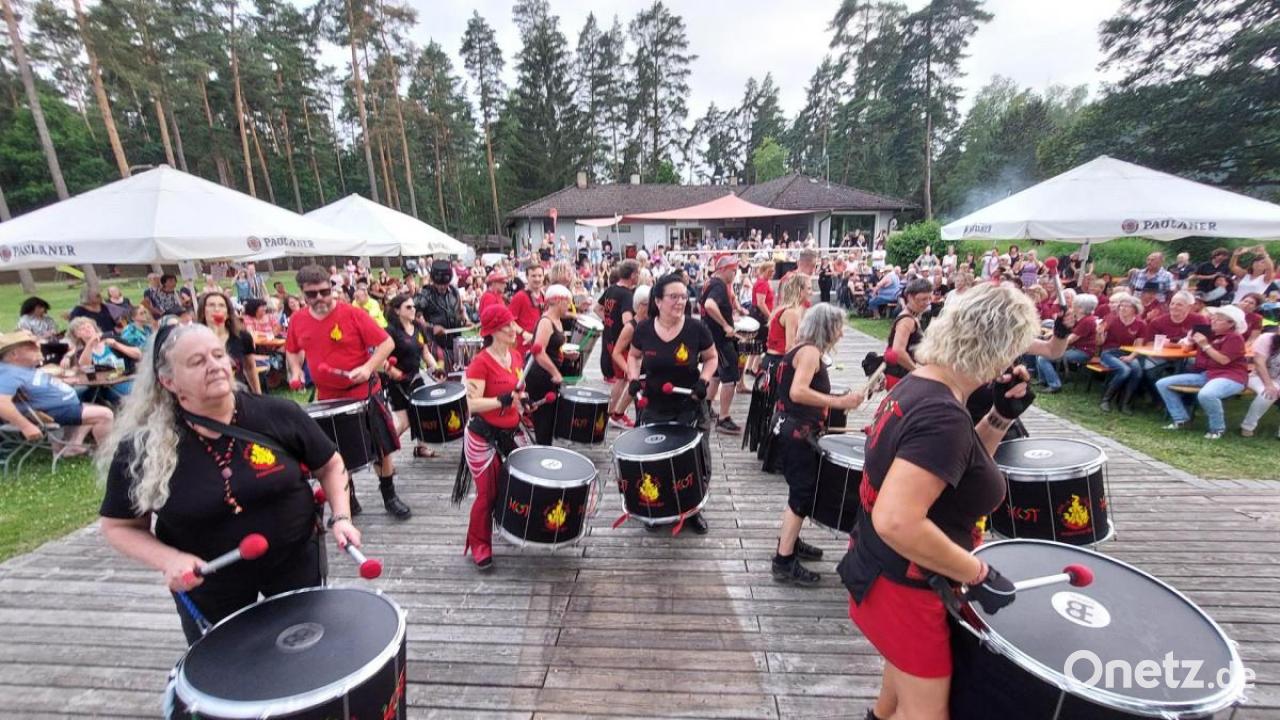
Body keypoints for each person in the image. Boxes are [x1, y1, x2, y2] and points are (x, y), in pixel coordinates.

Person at [839, 283, 1040, 720]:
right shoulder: (941, 415)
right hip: (907, 587)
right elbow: (898, 520)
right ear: (996, 347)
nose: (1015, 363)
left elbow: (957, 469)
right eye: (1015, 350)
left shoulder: (921, 386)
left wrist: (999, 417)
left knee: (898, 685)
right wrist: (978, 572)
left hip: (883, 572)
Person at [97, 323, 360, 644]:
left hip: (295, 563)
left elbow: (330, 465)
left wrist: (342, 517)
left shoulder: (278, 413)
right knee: (233, 673)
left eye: (218, 355)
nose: (214, 366)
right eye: (196, 362)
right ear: (168, 381)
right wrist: (168, 560)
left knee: (307, 657)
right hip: (211, 585)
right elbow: (119, 527)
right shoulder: (142, 449)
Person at [285, 265, 410, 519]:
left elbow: (387, 343)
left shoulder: (353, 314)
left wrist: (367, 367)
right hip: (328, 400)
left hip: (364, 393)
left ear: (331, 288)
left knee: (381, 449)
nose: (319, 298)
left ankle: (390, 496)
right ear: (302, 294)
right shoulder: (298, 320)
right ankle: (348, 501)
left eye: (323, 291)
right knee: (334, 455)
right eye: (312, 294)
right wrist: (296, 371)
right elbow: (293, 349)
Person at [769, 304, 866, 586]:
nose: (842, 333)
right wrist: (838, 402)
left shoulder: (802, 348)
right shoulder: (810, 352)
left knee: (799, 492)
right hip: (797, 432)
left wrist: (839, 399)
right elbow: (798, 392)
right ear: (826, 327)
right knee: (801, 494)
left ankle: (790, 541)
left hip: (791, 428)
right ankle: (783, 560)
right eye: (839, 327)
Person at [626, 272, 718, 534]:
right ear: (658, 300)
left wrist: (703, 380)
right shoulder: (643, 329)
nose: (680, 301)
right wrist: (634, 379)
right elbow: (633, 356)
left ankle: (693, 510)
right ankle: (655, 508)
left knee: (696, 459)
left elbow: (711, 358)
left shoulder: (696, 328)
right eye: (673, 296)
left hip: (689, 404)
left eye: (683, 296)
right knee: (655, 460)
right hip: (655, 404)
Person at [461, 305, 526, 569]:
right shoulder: (481, 362)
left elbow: (516, 395)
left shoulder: (517, 357)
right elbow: (471, 405)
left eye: (513, 323)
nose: (513, 329)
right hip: (483, 438)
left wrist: (524, 402)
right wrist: (500, 401)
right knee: (486, 495)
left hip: (510, 433)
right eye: (506, 326)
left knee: (511, 486)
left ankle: (508, 525)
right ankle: (479, 544)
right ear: (492, 332)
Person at [0, 330, 114, 454]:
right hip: (48, 412)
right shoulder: (9, 373)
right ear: (14, 354)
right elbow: (2, 403)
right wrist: (26, 426)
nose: (38, 347)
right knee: (105, 414)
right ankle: (107, 455)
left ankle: (72, 446)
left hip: (61, 406)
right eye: (31, 347)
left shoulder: (22, 368)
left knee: (92, 406)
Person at [1155, 305, 1249, 440]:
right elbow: (1186, 350)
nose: (1214, 321)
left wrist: (1205, 345)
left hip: (1231, 376)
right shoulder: (1208, 334)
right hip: (1208, 374)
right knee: (1162, 383)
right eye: (1214, 318)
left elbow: (1223, 360)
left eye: (1219, 319)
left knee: (1207, 394)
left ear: (1231, 324)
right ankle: (1181, 420)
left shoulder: (1234, 338)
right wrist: (1190, 340)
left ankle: (1217, 429)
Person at [383, 293, 440, 459]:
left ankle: (421, 448)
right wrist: (391, 371)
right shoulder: (390, 331)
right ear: (397, 311)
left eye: (413, 306)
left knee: (421, 413)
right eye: (408, 307)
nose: (413, 309)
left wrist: (436, 369)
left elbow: (425, 351)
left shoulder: (417, 327)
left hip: (415, 378)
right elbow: (381, 358)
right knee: (404, 423)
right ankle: (382, 453)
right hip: (398, 382)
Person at [700, 255, 745, 434]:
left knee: (717, 374)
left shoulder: (710, 282)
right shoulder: (718, 285)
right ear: (725, 269)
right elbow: (710, 305)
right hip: (720, 338)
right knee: (731, 377)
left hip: (711, 336)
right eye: (734, 271)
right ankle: (724, 417)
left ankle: (707, 407)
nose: (735, 275)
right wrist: (725, 324)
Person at [526, 284, 570, 445]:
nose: (569, 306)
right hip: (541, 376)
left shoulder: (557, 320)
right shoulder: (546, 321)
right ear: (558, 301)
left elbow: (553, 347)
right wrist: (555, 372)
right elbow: (538, 351)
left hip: (550, 376)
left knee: (550, 421)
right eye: (567, 302)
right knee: (543, 424)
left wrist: (566, 354)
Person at [599, 259, 639, 428]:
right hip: (620, 343)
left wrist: (608, 321)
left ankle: (611, 412)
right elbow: (627, 320)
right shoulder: (627, 295)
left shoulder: (611, 289)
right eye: (637, 273)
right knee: (622, 380)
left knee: (620, 378)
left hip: (609, 338)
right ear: (632, 275)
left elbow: (597, 308)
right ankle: (613, 413)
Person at [197, 291, 261, 395]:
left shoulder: (242, 337)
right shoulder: (194, 339)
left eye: (221, 305)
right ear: (203, 311)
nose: (217, 309)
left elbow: (250, 367)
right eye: (211, 305)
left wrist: (258, 395)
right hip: (206, 396)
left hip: (237, 393)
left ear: (227, 313)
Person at [1035, 294, 1099, 393]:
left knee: (1043, 357)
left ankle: (1055, 385)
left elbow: (1070, 339)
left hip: (1083, 352)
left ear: (1081, 309)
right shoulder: (1078, 317)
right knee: (1041, 352)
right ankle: (1043, 380)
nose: (1072, 305)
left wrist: (1051, 344)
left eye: (1075, 304)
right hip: (1073, 348)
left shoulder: (1088, 321)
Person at [1097, 293, 1148, 414]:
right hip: (1109, 352)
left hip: (1128, 352)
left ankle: (1125, 403)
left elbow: (1139, 345)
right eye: (1121, 306)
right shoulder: (1111, 320)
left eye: (1127, 306)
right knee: (1124, 370)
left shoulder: (1140, 324)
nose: (1123, 308)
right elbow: (1099, 343)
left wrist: (1131, 357)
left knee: (1137, 370)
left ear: (1135, 309)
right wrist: (1099, 333)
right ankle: (1106, 400)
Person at [608, 286, 651, 424]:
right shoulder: (630, 327)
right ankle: (616, 413)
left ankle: (618, 414)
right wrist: (628, 369)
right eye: (647, 304)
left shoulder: (651, 323)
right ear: (638, 305)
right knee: (629, 386)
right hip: (632, 363)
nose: (650, 308)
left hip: (645, 369)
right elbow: (616, 352)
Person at [416, 259, 469, 370]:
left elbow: (460, 309)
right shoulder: (426, 294)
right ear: (433, 281)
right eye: (439, 284)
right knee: (440, 375)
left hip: (455, 342)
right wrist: (431, 328)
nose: (442, 287)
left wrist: (465, 319)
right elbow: (416, 315)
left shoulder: (454, 292)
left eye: (445, 284)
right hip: (435, 344)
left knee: (461, 372)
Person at [884, 280, 931, 390]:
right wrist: (916, 371)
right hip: (899, 376)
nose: (927, 302)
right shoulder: (907, 320)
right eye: (923, 299)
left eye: (929, 298)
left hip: (901, 373)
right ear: (910, 297)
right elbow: (898, 351)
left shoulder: (912, 317)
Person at [1240, 329, 1280, 438]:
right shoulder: (1266, 338)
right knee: (1269, 393)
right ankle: (1248, 426)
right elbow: (1259, 362)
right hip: (1258, 376)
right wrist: (1269, 385)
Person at [509, 264, 546, 347]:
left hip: (538, 346)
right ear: (527, 277)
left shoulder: (544, 296)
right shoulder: (520, 296)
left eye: (540, 276)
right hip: (522, 347)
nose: (537, 279)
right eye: (533, 276)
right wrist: (524, 333)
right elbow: (509, 321)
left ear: (543, 277)